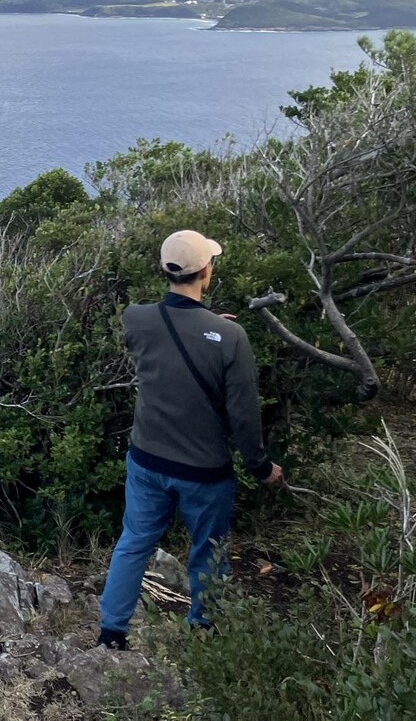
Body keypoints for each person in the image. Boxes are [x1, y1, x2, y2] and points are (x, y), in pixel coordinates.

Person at [97, 229, 285, 649]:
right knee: (209, 553)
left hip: (146, 461)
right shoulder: (232, 338)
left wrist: (206, 325)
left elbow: (168, 338)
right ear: (206, 271)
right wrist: (260, 467)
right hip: (205, 471)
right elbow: (243, 415)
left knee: (134, 543)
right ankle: (205, 634)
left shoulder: (135, 317)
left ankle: (111, 634)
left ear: (165, 269)